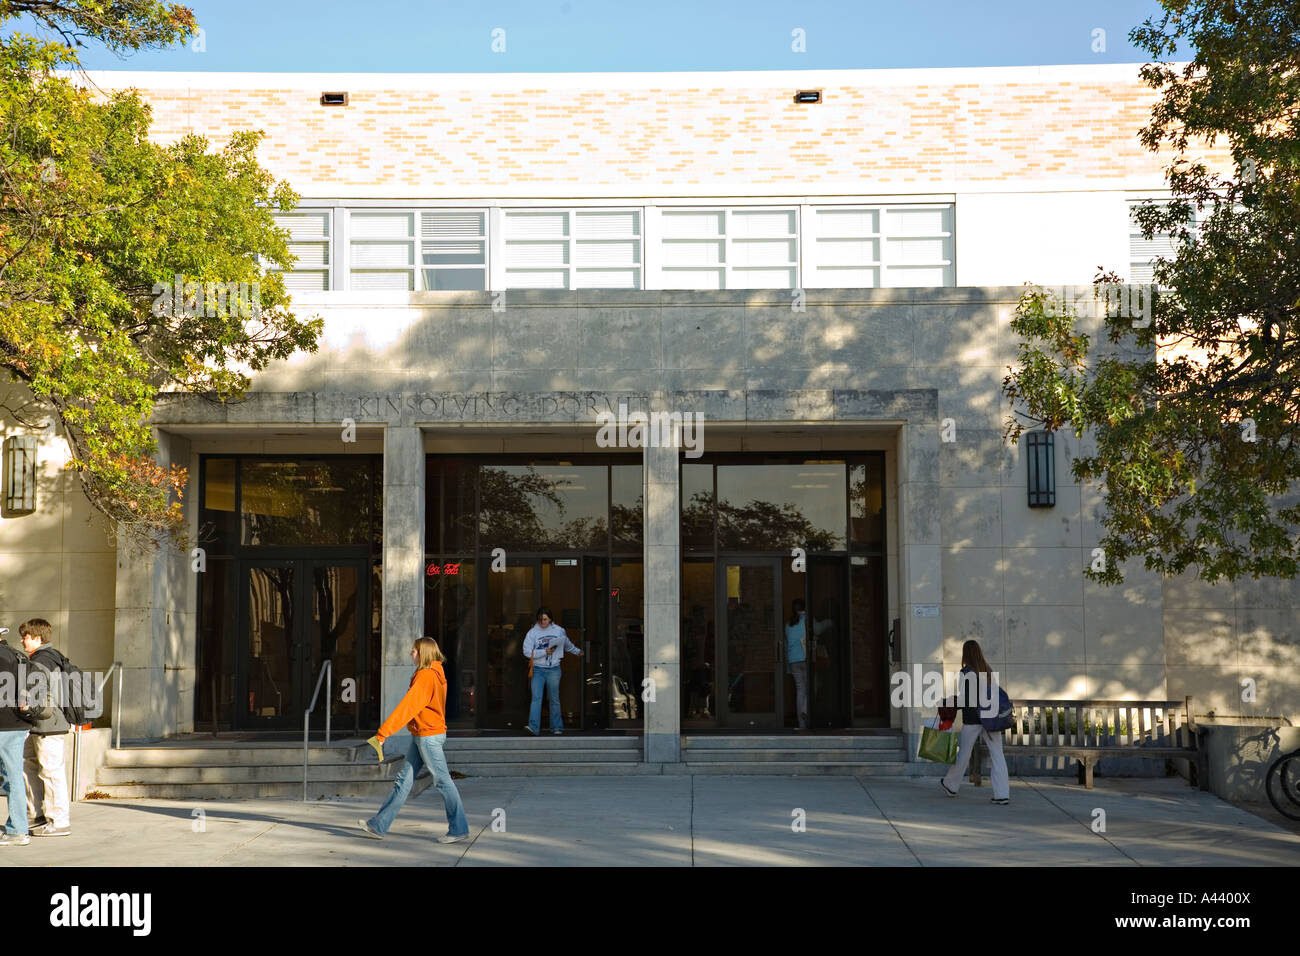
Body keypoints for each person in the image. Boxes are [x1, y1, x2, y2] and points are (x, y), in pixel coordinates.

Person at [356, 637, 469, 844]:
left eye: (414, 651)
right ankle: (379, 825)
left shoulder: (426, 676)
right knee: (403, 782)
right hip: (423, 734)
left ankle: (459, 829)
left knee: (443, 781)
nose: (411, 653)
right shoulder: (434, 672)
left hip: (428, 737)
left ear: (423, 653)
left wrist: (383, 734)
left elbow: (407, 708)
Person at [939, 639, 1011, 805]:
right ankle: (1002, 794)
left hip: (973, 720)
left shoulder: (966, 672)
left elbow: (966, 699)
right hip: (991, 719)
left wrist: (950, 701)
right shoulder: (988, 670)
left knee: (964, 754)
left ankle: (951, 785)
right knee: (997, 755)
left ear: (966, 654)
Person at [19, 619, 71, 836]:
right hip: (41, 725)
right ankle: (38, 815)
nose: (22, 640)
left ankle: (58, 821)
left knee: (51, 772)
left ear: (37, 638)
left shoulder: (42, 661)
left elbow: (40, 696)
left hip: (47, 726)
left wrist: (25, 707)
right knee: (30, 767)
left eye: (26, 637)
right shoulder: (53, 657)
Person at [522, 607, 581, 736]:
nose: (542, 622)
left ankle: (557, 727)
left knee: (554, 698)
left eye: (545, 619)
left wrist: (578, 652)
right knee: (536, 698)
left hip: (554, 669)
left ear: (550, 619)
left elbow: (567, 645)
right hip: (538, 669)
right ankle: (533, 727)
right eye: (540, 619)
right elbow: (526, 651)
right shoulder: (532, 633)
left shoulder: (559, 631)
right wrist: (544, 652)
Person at [0, 627, 31, 846]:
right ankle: (18, 827)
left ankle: (18, 830)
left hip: (4, 724)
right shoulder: (17, 655)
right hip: (19, 722)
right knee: (13, 776)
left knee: (12, 777)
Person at [785, 600, 810, 729]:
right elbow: (818, 629)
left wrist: (788, 667)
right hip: (805, 658)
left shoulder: (788, 624)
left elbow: (786, 645)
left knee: (800, 690)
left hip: (793, 660)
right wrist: (830, 622)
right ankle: (805, 710)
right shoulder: (807, 619)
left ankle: (801, 724)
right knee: (810, 687)